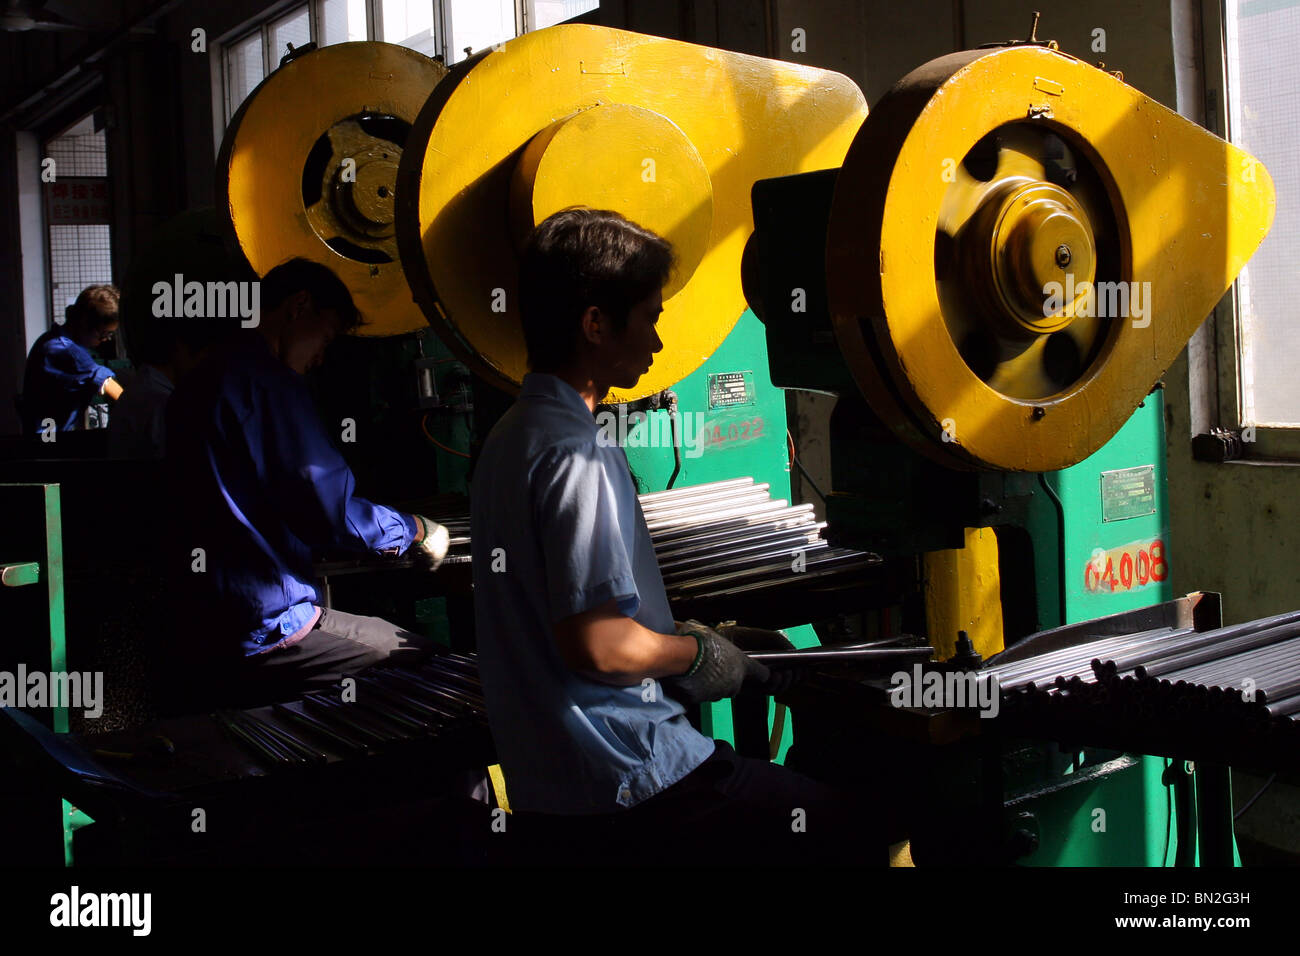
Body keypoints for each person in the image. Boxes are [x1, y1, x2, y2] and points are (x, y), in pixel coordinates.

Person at [471, 208, 876, 865]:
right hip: (628, 777)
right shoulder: (579, 452)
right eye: (651, 319)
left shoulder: (510, 437)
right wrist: (697, 657)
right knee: (843, 828)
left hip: (552, 786)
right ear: (595, 324)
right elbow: (598, 644)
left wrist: (681, 638)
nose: (659, 344)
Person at [163, 257, 449, 710]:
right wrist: (412, 529)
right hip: (262, 623)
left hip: (198, 621)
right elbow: (327, 511)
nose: (319, 358)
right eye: (326, 338)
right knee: (432, 667)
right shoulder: (270, 383)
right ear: (299, 307)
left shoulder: (204, 377)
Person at [22, 284, 124, 436]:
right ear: (85, 324)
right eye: (104, 334)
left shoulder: (50, 339)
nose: (105, 340)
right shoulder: (65, 351)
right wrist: (138, 408)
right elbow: (106, 383)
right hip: (48, 440)